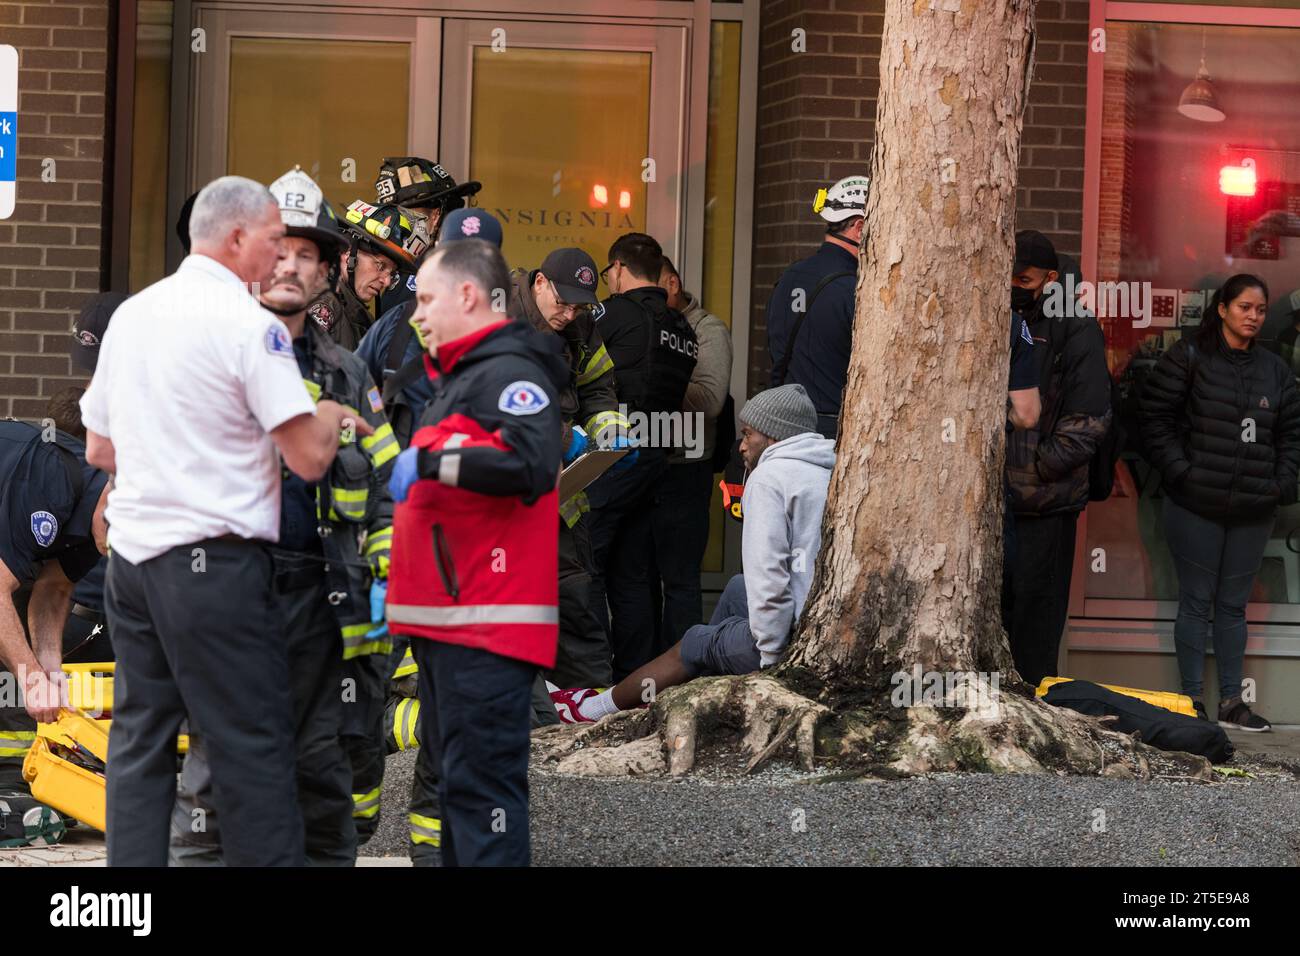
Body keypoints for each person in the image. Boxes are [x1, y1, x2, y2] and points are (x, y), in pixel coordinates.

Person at [80, 175, 368, 867]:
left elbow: (99, 448)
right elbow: (305, 457)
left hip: (133, 567)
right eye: (273, 241)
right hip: (215, 568)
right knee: (253, 746)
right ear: (236, 237)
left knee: (140, 741)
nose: (279, 259)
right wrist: (329, 415)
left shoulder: (135, 315)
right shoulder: (251, 327)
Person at [168, 167, 399, 865]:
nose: (290, 265)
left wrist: (391, 583)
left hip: (328, 619)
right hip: (231, 605)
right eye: (280, 248)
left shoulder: (350, 375)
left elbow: (385, 489)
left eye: (308, 253)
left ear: (327, 269)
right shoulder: (208, 354)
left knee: (325, 793)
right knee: (212, 793)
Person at [385, 239, 566, 866]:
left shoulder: (509, 372)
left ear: (468, 295)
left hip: (487, 625)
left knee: (483, 797)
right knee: (459, 793)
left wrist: (434, 461)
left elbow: (530, 461)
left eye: (427, 299)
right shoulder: (459, 377)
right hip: (450, 624)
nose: (419, 314)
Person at [358, 207, 506, 865]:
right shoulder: (395, 335)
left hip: (466, 551)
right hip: (396, 542)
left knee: (449, 708)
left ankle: (433, 843)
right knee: (380, 691)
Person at [549, 384, 833, 722]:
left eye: (748, 435)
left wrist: (771, 660)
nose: (741, 446)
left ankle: (594, 708)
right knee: (737, 588)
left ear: (773, 437)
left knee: (695, 641)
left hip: (788, 640)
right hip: (815, 619)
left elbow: (770, 574)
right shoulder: (826, 467)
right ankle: (703, 698)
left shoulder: (770, 477)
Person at [1142, 274, 1300, 730]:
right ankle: (1192, 704)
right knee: (1195, 601)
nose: (1253, 316)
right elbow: (1153, 418)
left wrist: (1279, 485)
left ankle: (1232, 703)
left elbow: (1291, 432)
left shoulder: (1274, 370)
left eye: (1261, 310)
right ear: (1223, 309)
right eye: (1245, 307)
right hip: (1195, 504)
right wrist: (1182, 472)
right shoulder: (1190, 356)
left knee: (1232, 606)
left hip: (1253, 507)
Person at [507, 247, 627, 692]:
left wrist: (607, 429)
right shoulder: (495, 319)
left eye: (578, 305)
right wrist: (565, 439)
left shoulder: (580, 324)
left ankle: (588, 709)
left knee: (574, 606)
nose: (569, 313)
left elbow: (598, 384)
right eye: (562, 302)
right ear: (539, 282)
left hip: (560, 506)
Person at [585, 232, 697, 679]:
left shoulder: (615, 314)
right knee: (631, 575)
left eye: (608, 272)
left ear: (617, 270)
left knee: (585, 565)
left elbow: (582, 366)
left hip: (612, 455)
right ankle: (634, 678)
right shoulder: (683, 329)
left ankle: (589, 678)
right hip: (656, 462)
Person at [1003, 230, 1112, 687]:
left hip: (1046, 502)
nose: (1013, 285)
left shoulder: (1077, 327)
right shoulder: (1005, 316)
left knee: (1036, 619)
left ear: (1050, 278)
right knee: (1003, 612)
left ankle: (1034, 703)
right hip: (1003, 499)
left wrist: (1036, 468)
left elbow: (1088, 420)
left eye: (1023, 278)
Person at [0, 421, 110, 790]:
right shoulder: (53, 483)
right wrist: (32, 682)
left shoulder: (96, 525)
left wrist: (49, 668)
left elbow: (54, 588)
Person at [357, 208, 506, 449]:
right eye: (452, 259)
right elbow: (352, 388)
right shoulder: (396, 325)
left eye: (475, 263)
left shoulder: (509, 347)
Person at [650, 256, 733, 651]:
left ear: (671, 283)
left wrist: (653, 381)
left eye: (650, 289)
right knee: (640, 577)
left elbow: (710, 400)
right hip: (646, 463)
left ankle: (682, 667)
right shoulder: (644, 324)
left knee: (681, 579)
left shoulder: (708, 329)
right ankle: (642, 670)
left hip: (687, 466)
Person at [765, 175, 869, 439]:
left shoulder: (789, 276)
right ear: (859, 228)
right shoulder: (857, 288)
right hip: (834, 433)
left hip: (786, 429)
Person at [308, 200, 424, 350]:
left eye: (392, 273)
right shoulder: (324, 307)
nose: (387, 281)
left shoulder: (352, 311)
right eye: (381, 265)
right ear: (347, 252)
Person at [372, 157, 481, 314]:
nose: (395, 225)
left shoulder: (451, 270)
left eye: (407, 216)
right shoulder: (386, 263)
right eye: (390, 216)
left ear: (436, 216)